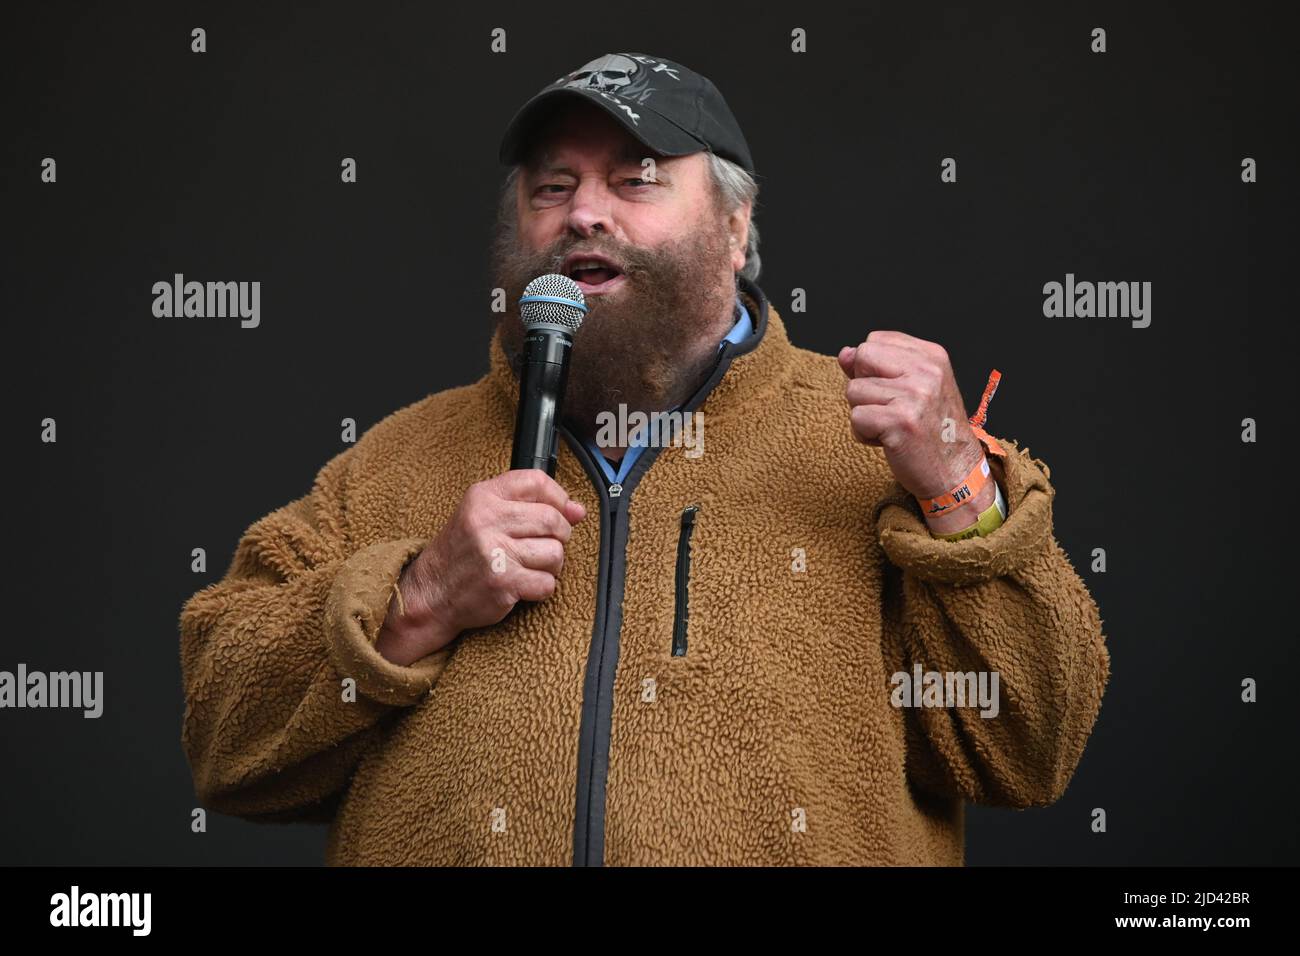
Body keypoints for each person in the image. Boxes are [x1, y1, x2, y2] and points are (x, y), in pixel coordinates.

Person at [179, 52, 1110, 866]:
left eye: (637, 179)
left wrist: (958, 488)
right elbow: (225, 740)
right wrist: (416, 600)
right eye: (552, 187)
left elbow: (1028, 749)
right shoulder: (391, 463)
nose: (583, 211)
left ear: (737, 233)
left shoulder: (873, 446)